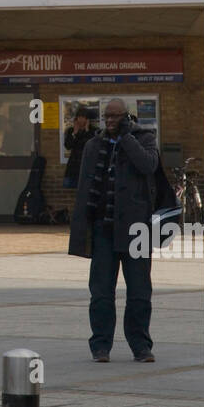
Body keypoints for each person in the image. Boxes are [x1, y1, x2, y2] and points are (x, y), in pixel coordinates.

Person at [68, 97, 159, 363]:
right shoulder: (93, 145)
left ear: (127, 117)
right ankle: (100, 346)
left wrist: (127, 138)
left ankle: (141, 346)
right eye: (107, 117)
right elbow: (84, 187)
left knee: (140, 293)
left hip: (135, 230)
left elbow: (148, 166)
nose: (110, 122)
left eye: (115, 117)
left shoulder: (144, 138)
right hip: (103, 229)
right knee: (101, 293)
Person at [63, 109, 95, 188]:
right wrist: (74, 133)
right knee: (73, 186)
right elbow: (68, 145)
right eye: (79, 117)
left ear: (87, 119)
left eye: (83, 117)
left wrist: (87, 131)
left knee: (87, 187)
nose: (81, 120)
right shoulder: (71, 130)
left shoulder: (93, 131)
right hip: (74, 165)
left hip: (87, 164)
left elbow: (91, 146)